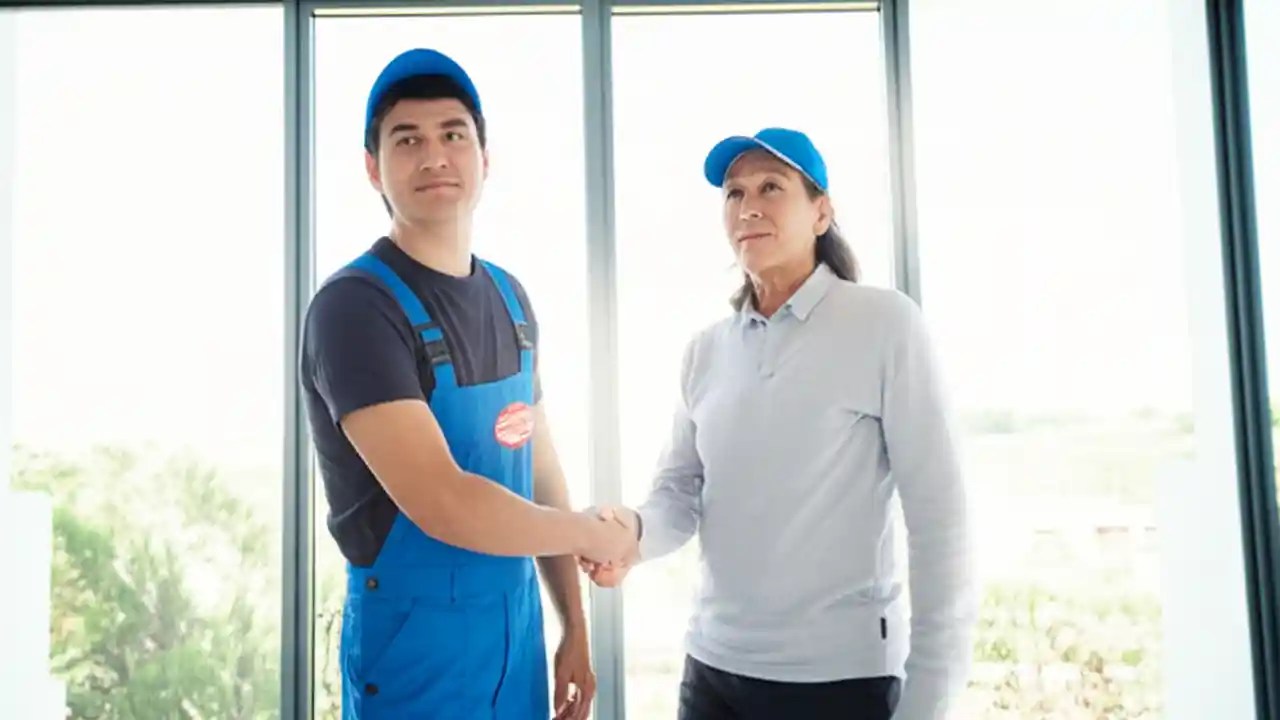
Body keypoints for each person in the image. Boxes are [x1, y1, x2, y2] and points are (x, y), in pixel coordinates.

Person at [582, 127, 977, 719]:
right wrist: (632, 534)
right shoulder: (707, 350)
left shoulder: (884, 324)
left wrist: (927, 703)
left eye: (772, 187)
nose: (749, 207)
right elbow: (679, 495)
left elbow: (941, 522)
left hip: (839, 681)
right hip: (713, 673)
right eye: (734, 194)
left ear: (822, 212)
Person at [299, 48, 632, 720]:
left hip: (517, 636)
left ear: (485, 156)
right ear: (374, 168)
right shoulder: (356, 309)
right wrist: (587, 533)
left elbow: (540, 470)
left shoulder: (511, 299)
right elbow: (442, 501)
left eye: (454, 134)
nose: (435, 157)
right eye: (408, 140)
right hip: (416, 652)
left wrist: (573, 624)